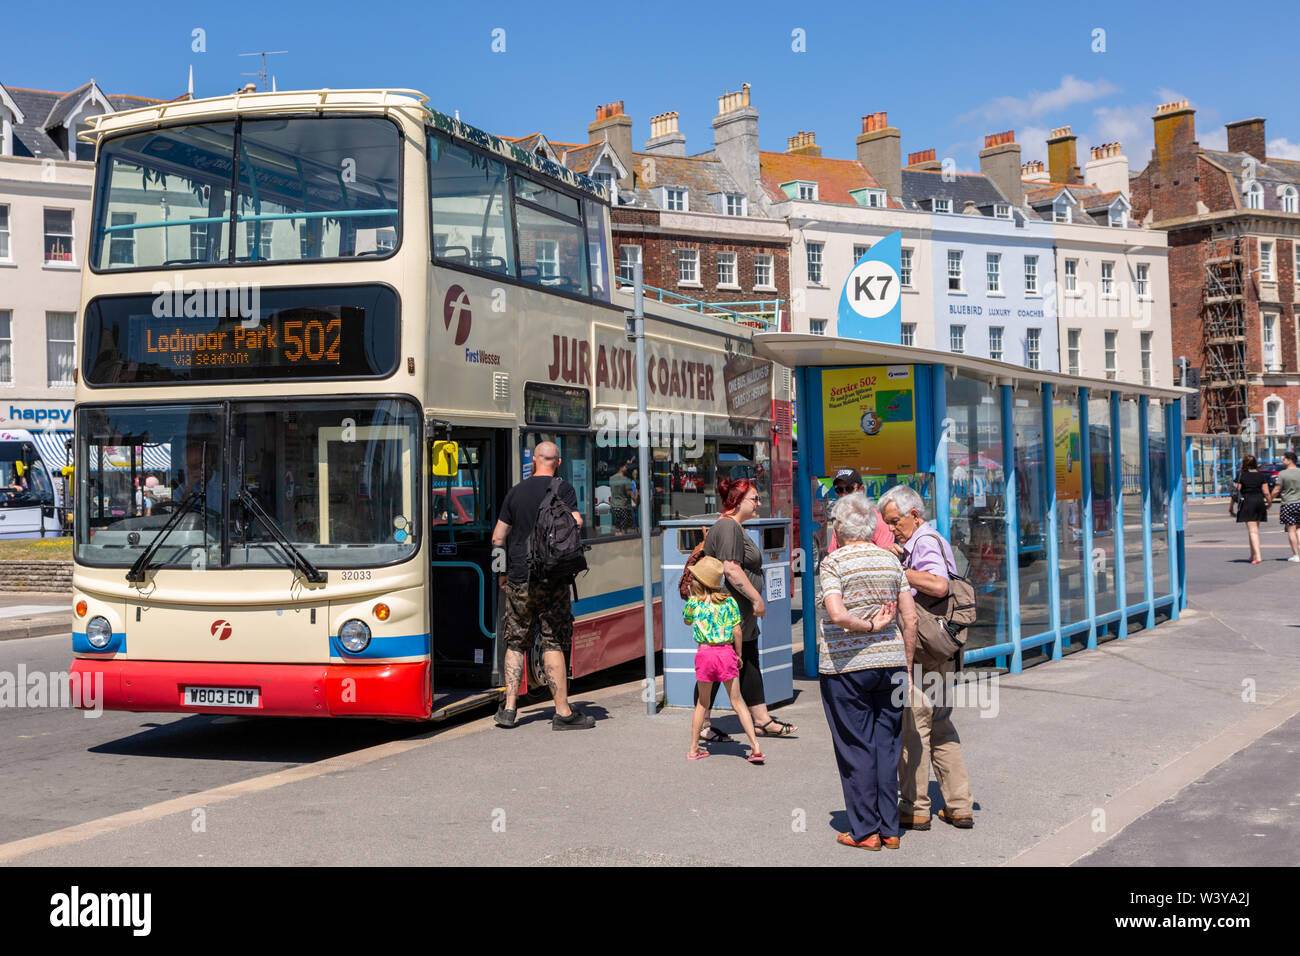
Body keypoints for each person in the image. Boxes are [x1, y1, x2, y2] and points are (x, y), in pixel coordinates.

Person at [817, 492, 917, 850]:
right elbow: (910, 617)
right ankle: (890, 829)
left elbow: (838, 615)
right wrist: (904, 665)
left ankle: (865, 832)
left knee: (855, 747)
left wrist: (869, 628)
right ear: (873, 527)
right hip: (891, 666)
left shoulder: (833, 563)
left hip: (846, 669)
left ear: (840, 527)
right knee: (887, 746)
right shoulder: (891, 562)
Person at [878, 484, 975, 831]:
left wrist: (898, 570)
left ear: (914, 515)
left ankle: (915, 807)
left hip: (924, 651)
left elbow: (938, 585)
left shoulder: (926, 540)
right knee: (941, 725)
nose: (891, 528)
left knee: (914, 727)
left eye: (895, 521)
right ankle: (959, 806)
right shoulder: (919, 542)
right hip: (941, 651)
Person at [491, 441, 595, 731]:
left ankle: (509, 709)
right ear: (558, 461)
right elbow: (576, 522)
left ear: (534, 460)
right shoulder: (564, 490)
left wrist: (502, 572)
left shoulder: (515, 492)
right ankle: (562, 712)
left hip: (519, 577)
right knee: (553, 640)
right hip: (554, 578)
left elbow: (498, 538)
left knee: (515, 641)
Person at [696, 477, 798, 743]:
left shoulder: (734, 526)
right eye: (754, 498)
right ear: (738, 501)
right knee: (720, 664)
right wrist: (756, 599)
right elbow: (730, 567)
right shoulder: (729, 527)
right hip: (731, 611)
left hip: (739, 613)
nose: (758, 503)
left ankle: (762, 720)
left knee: (748, 660)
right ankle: (704, 724)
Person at [684, 556, 764, 763]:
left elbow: (686, 621)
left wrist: (695, 600)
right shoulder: (729, 603)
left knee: (703, 703)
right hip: (726, 652)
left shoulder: (694, 603)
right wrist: (738, 654)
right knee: (737, 701)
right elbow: (737, 631)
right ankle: (755, 747)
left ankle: (694, 749)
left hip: (705, 654)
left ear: (699, 582)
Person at [828, 469, 897, 554]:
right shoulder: (840, 518)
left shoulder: (876, 517)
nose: (843, 494)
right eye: (839, 490)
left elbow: (886, 554)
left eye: (849, 489)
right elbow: (832, 552)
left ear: (861, 489)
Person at [1234, 456, 1272, 565]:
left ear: (1244, 463)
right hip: (1259, 502)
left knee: (1252, 531)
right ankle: (1252, 555)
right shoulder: (1261, 475)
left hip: (1247, 502)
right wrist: (1269, 502)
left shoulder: (1241, 475)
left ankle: (1258, 556)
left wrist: (1231, 506)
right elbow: (1266, 491)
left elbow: (1236, 492)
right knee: (1254, 530)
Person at [1277, 452, 1300, 562]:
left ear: (1290, 460)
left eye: (1284, 459)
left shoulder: (1283, 474)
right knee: (1299, 528)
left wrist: (1270, 500)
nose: (1283, 460)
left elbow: (1277, 489)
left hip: (1288, 504)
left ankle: (1296, 555)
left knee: (1291, 530)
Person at [609, 460, 637, 532]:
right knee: (624, 529)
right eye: (626, 467)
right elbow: (631, 495)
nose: (627, 468)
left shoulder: (611, 478)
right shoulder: (626, 480)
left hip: (614, 506)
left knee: (618, 528)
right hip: (624, 507)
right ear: (621, 467)